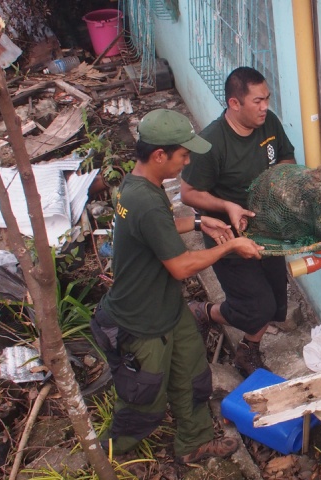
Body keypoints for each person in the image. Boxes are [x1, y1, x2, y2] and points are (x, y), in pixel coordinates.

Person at [90, 109, 264, 462]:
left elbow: (164, 226)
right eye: (183, 154)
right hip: (141, 323)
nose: (187, 161)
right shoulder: (144, 201)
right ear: (159, 155)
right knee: (143, 400)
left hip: (170, 311)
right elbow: (181, 267)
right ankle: (105, 456)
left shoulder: (138, 185)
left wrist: (202, 222)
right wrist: (230, 244)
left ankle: (194, 443)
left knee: (193, 378)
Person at [180, 66, 296, 378]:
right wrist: (228, 205)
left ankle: (245, 348)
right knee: (255, 305)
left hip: (268, 228)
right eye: (257, 101)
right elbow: (188, 193)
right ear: (234, 104)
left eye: (267, 99)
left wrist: (278, 180)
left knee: (274, 301)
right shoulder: (210, 143)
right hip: (227, 234)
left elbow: (287, 158)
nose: (264, 107)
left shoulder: (268, 123)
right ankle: (210, 316)